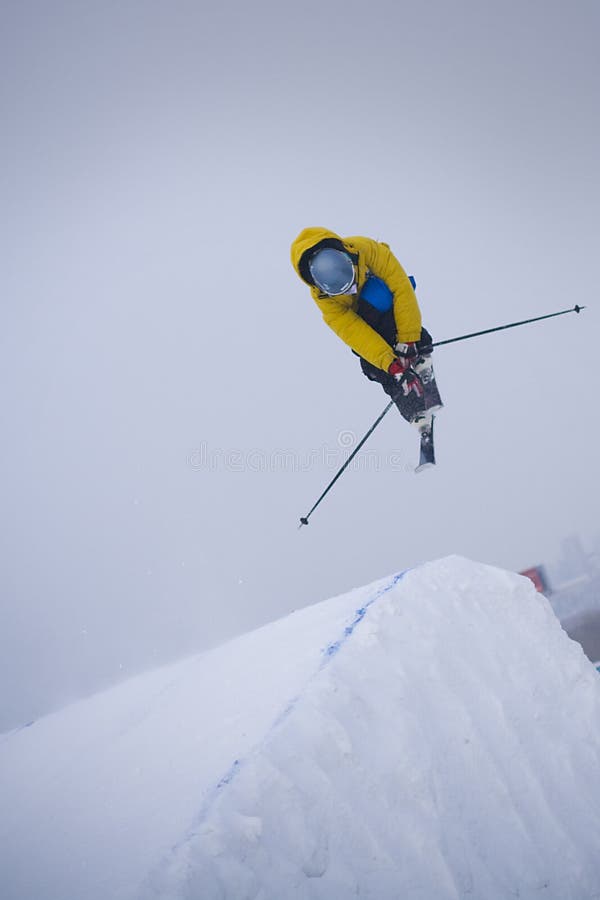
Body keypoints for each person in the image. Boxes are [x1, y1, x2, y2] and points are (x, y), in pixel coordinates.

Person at [290, 227, 443, 465]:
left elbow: (401, 289)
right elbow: (353, 332)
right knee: (371, 365)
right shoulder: (322, 298)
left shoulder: (365, 249)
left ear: (348, 258)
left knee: (378, 300)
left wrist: (410, 339)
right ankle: (413, 406)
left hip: (385, 300)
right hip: (364, 321)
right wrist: (390, 365)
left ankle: (419, 353)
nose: (349, 289)